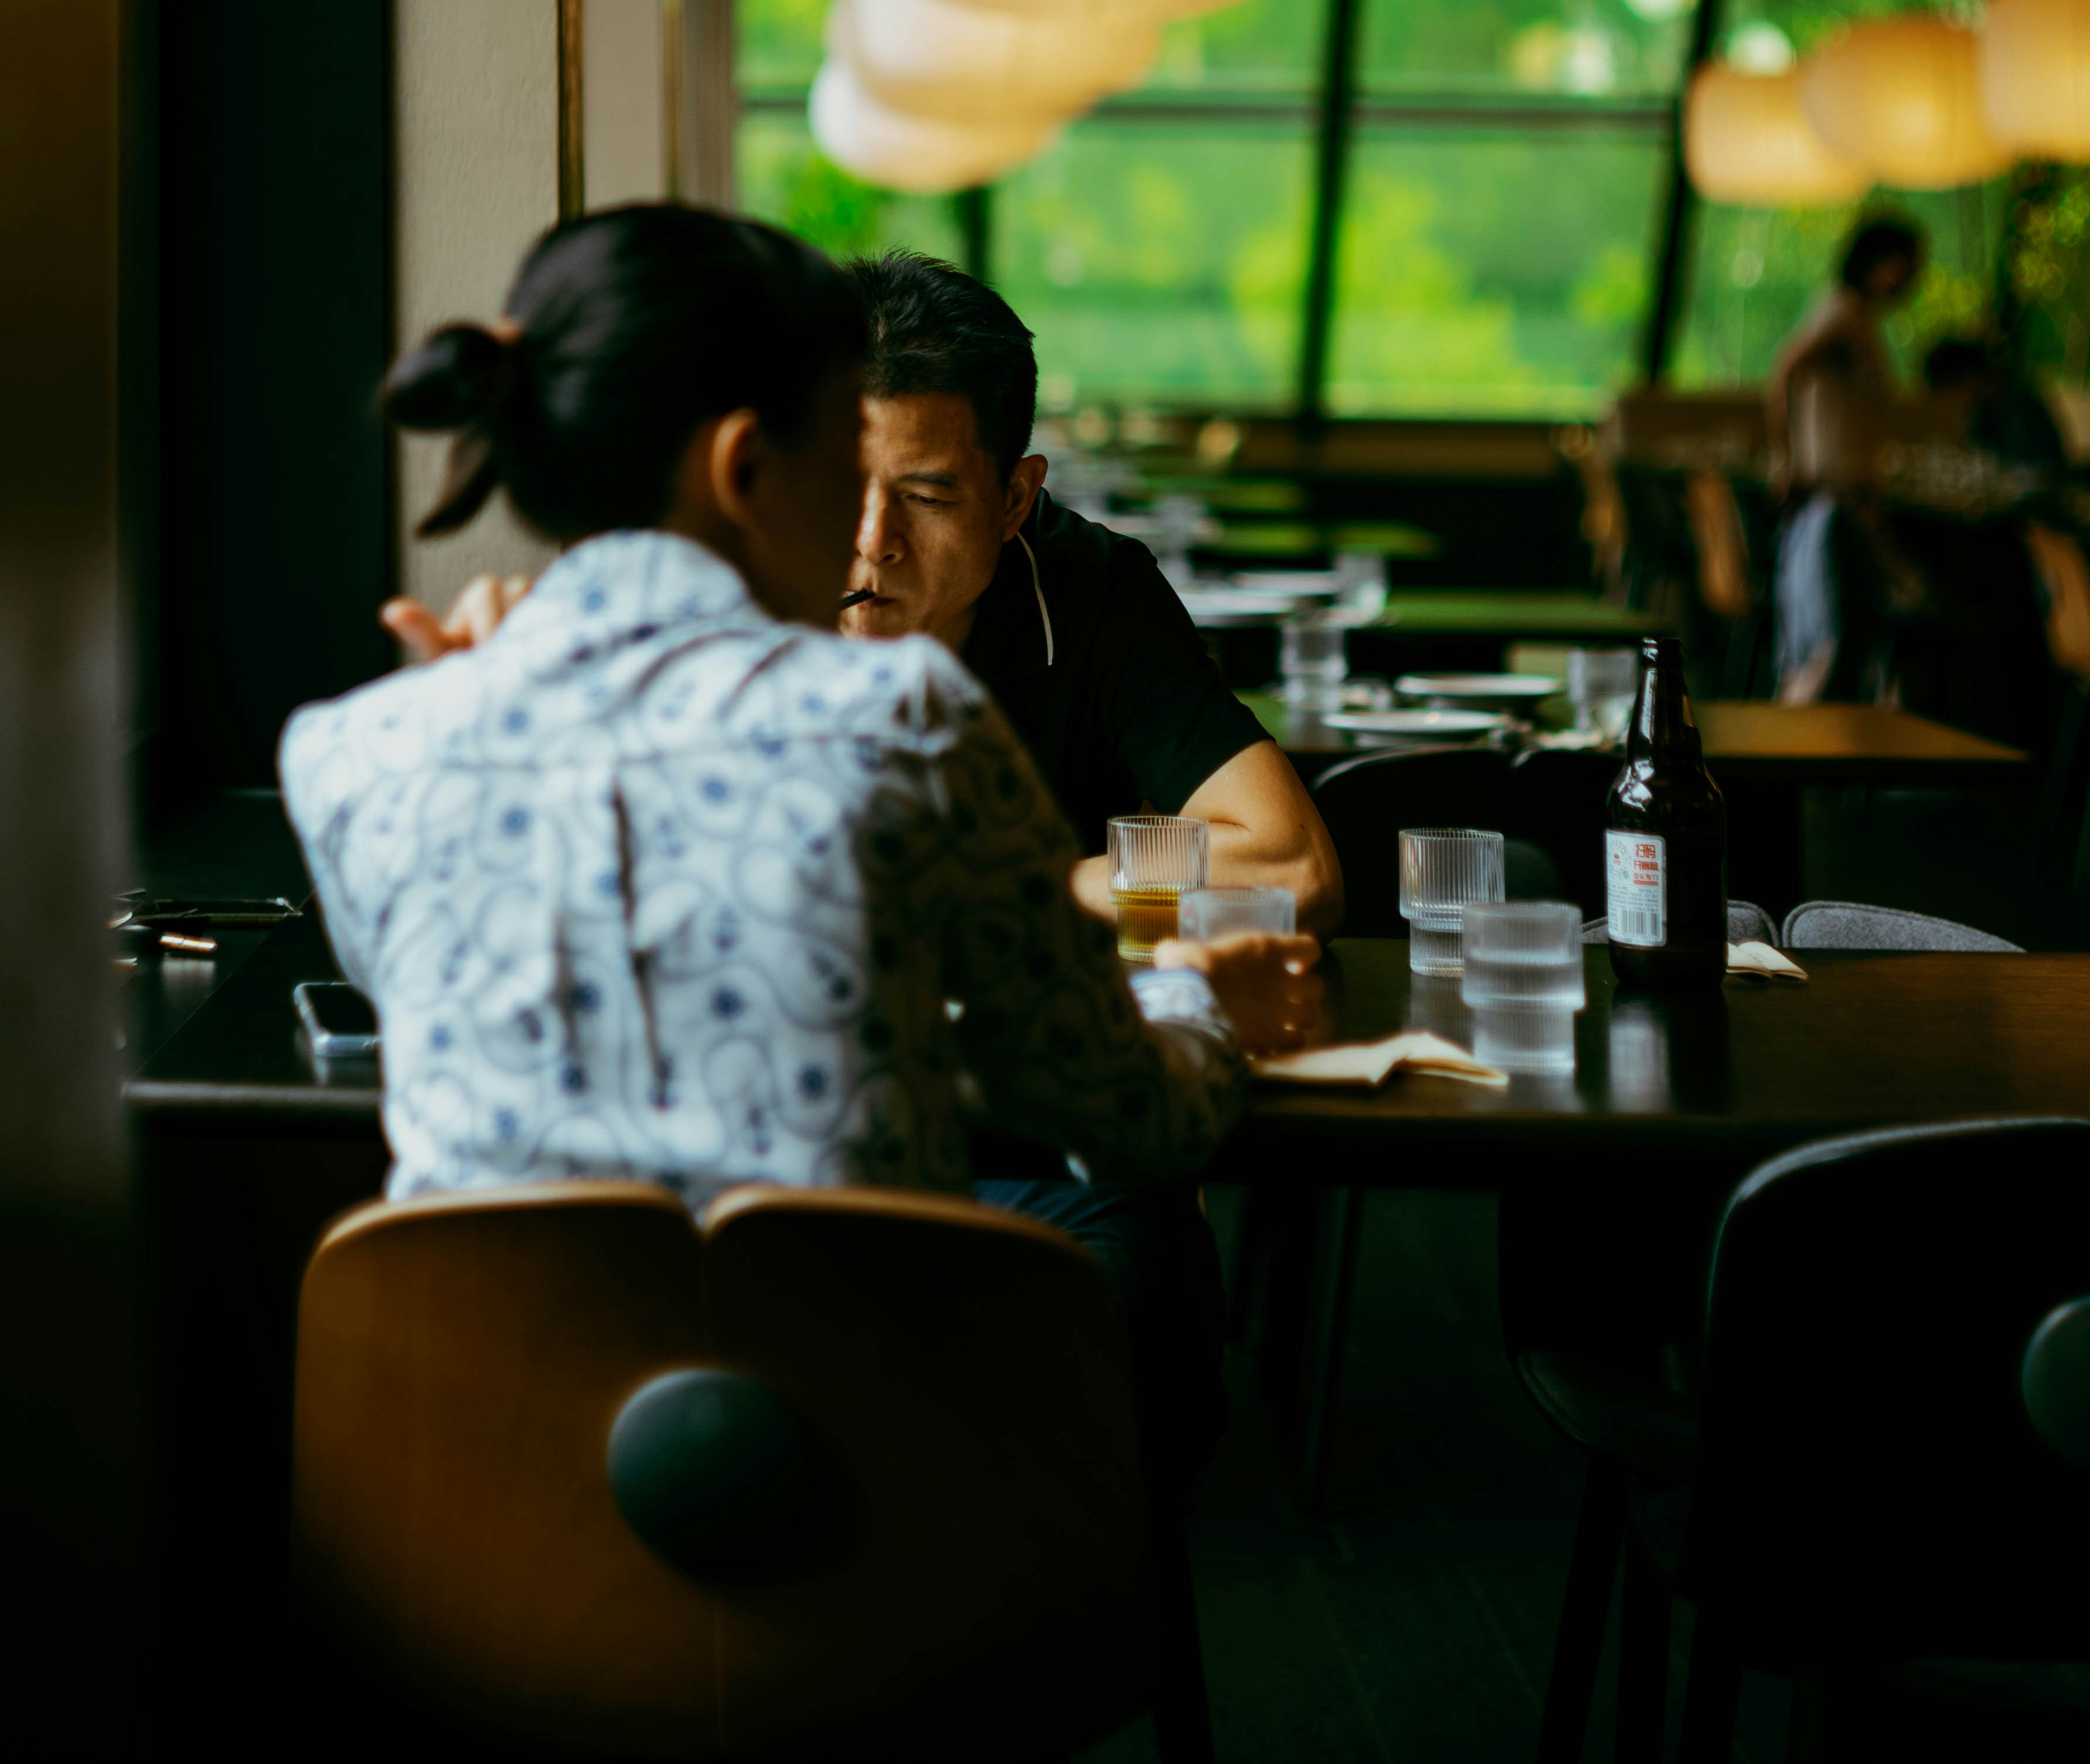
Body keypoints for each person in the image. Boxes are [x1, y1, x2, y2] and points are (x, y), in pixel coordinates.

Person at [282, 205, 1320, 1230]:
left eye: (916, 493)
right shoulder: (902, 719)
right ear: (744, 468)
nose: (867, 541)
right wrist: (1192, 1003)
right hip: (846, 1379)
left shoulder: (345, 749)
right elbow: (1127, 1122)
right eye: (837, 468)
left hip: (471, 1386)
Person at [836, 251, 1343, 934]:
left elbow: (1294, 870)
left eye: (925, 496)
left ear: (1013, 499)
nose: (873, 540)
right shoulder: (723, 595)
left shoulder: (1096, 591)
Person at [1765, 214, 1926, 704]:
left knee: (1833, 641)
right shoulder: (1844, 315)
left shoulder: (1852, 317)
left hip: (1848, 499)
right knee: (1832, 645)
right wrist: (1784, 457)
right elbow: (1786, 371)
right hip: (1836, 501)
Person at [1921, 331, 2069, 488]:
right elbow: (1974, 453)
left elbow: (2040, 471)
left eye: (1951, 391)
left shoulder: (2019, 406)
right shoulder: (1982, 410)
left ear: (1968, 378)